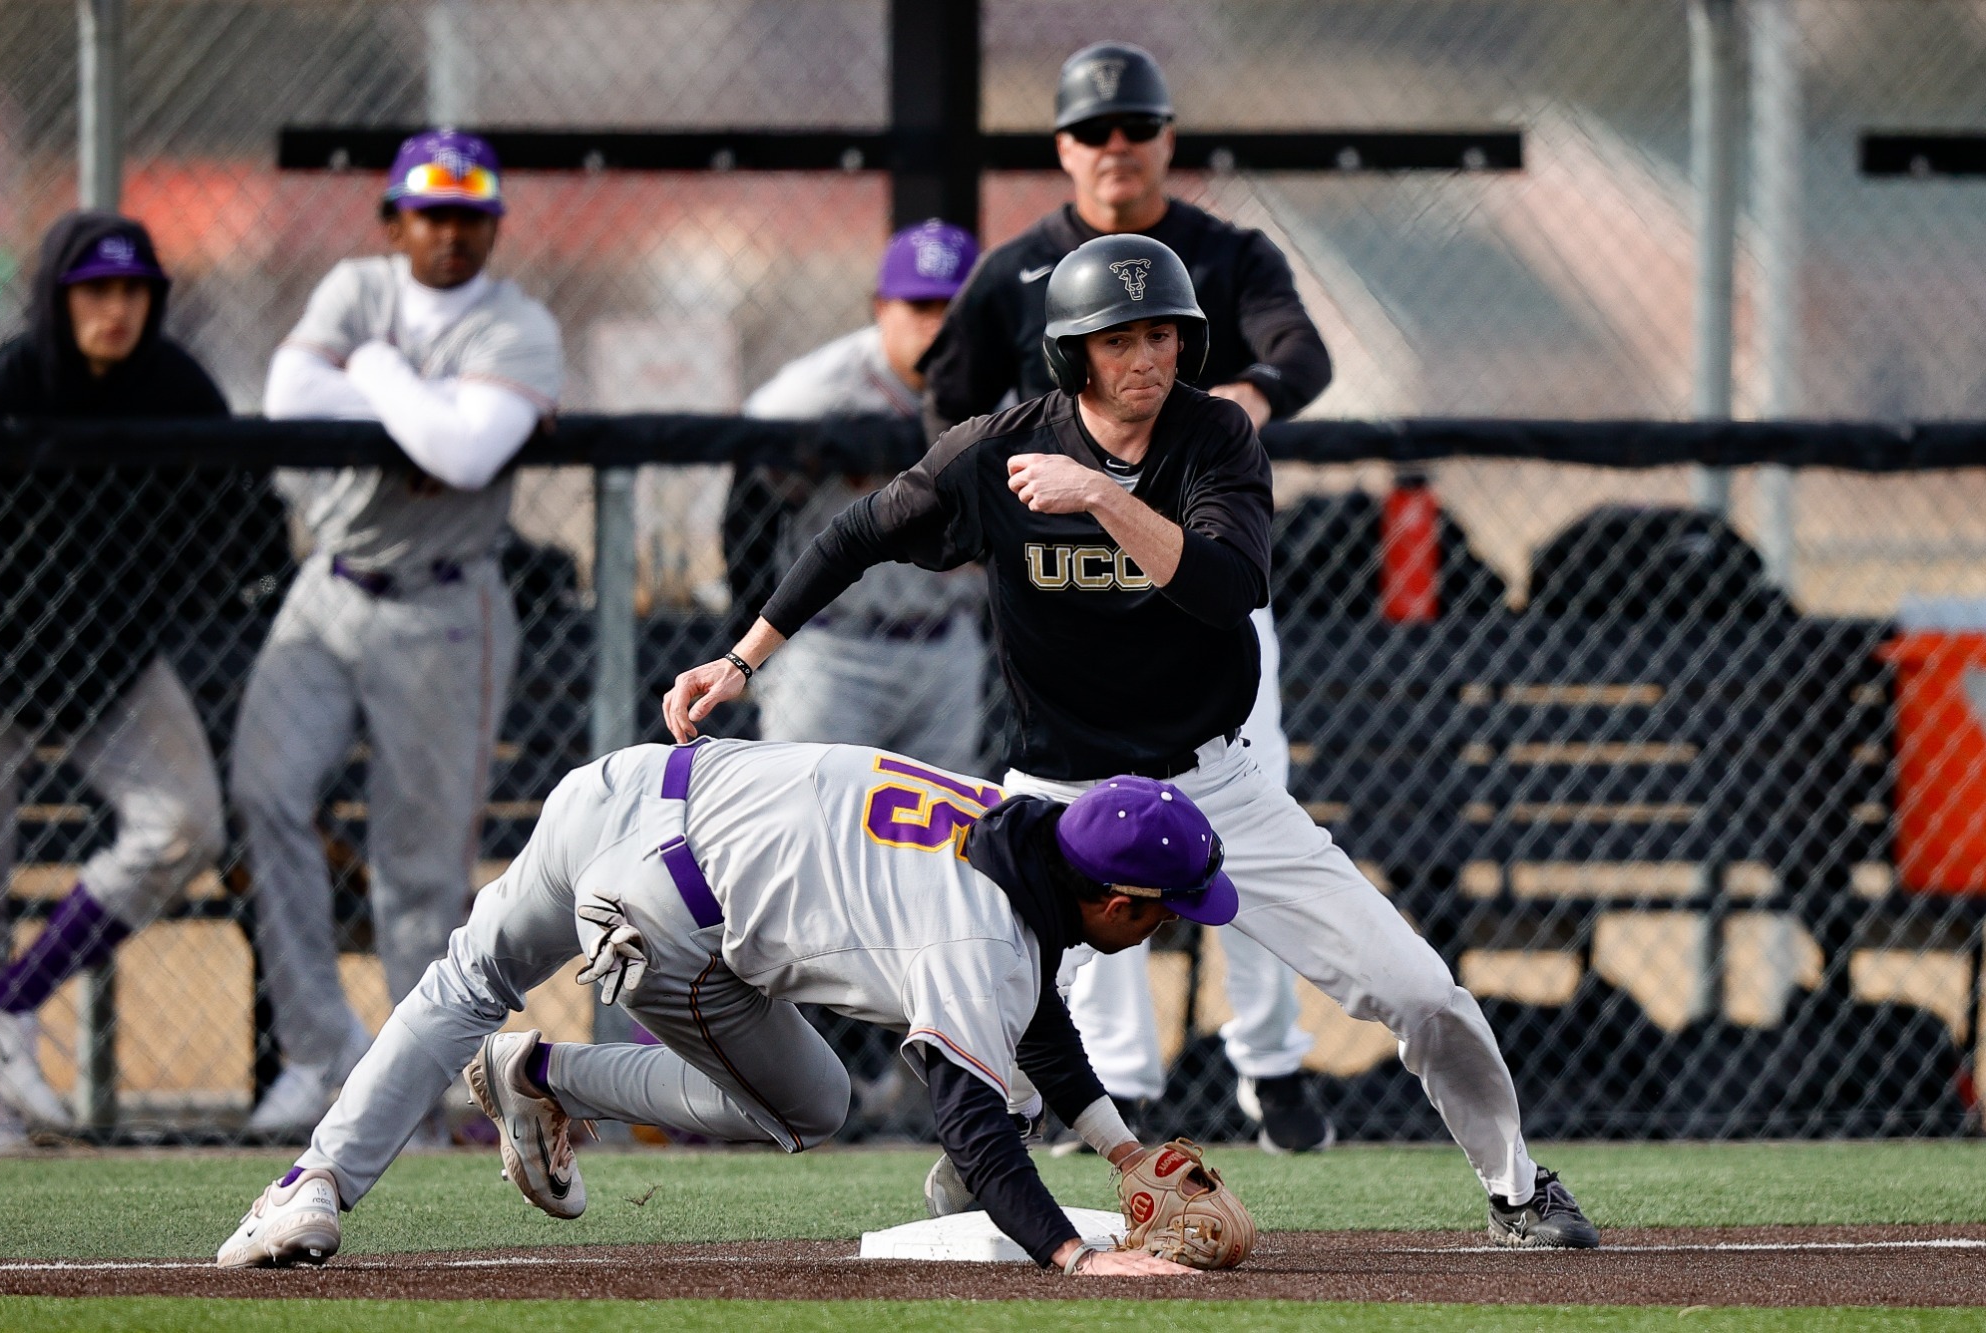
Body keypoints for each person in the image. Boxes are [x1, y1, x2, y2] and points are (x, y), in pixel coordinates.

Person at [664, 237, 1600, 1248]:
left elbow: (1224, 588)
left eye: (1162, 333)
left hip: (1212, 787)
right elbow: (854, 534)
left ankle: (1516, 1187)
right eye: (1118, 339)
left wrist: (1101, 497)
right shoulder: (997, 448)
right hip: (1053, 802)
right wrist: (743, 659)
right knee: (1002, 1030)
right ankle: (988, 1164)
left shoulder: (1215, 440)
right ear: (1072, 353)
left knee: (1418, 988)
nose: (1146, 356)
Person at [218, 738, 1215, 1277]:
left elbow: (1036, 1010)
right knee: (809, 1107)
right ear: (1118, 902)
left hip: (626, 782)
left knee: (463, 982)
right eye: (1164, 918)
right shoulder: (979, 932)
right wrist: (1077, 1259)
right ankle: (549, 1077)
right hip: (666, 909)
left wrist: (1123, 1151)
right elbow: (969, 1117)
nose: (1165, 932)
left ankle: (311, 1187)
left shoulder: (1014, 824)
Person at [919, 41, 1335, 1153]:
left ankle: (1271, 1067)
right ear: (1062, 147)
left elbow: (1302, 355)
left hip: (1198, 588)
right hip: (1071, 602)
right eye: (1092, 131)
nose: (1115, 148)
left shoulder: (1221, 254)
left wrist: (1223, 405)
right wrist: (999, 516)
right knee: (1079, 838)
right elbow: (945, 402)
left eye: (1134, 128)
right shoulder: (1016, 271)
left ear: (1164, 141)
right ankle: (1111, 1088)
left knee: (1246, 821)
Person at [233, 129, 563, 1138]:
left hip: (444, 602)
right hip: (327, 586)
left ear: (494, 226)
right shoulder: (355, 291)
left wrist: (381, 389)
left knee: (418, 867)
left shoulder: (520, 323)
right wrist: (404, 399)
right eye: (429, 213)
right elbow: (289, 399)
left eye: (469, 215)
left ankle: (408, 1092)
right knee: (264, 792)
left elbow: (463, 455)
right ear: (394, 220)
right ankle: (318, 1049)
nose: (448, 233)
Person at [726, 219, 985, 1126]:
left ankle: (915, 1086)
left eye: (954, 307)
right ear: (881, 309)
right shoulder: (815, 389)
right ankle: (771, 1077)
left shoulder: (1002, 383)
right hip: (833, 649)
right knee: (799, 851)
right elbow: (737, 476)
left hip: (948, 648)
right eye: (919, 306)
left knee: (936, 866)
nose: (938, 324)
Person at [0, 213, 234, 1149]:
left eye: (132, 291)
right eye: (94, 290)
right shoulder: (9, 385)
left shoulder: (176, 385)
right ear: (59, 299)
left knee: (187, 822)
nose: (115, 308)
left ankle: (11, 1001)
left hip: (109, 662)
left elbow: (234, 509)